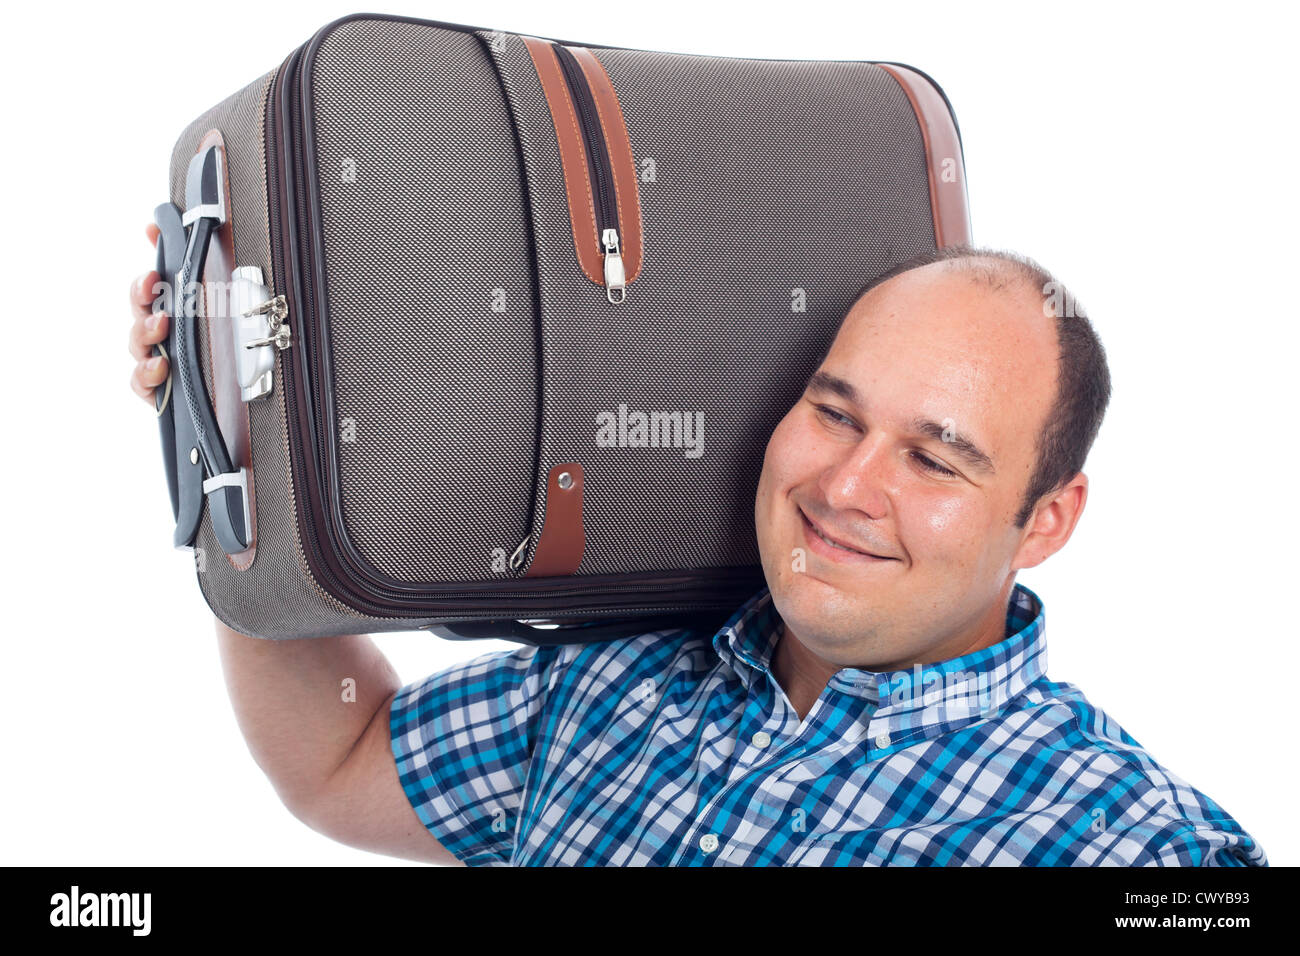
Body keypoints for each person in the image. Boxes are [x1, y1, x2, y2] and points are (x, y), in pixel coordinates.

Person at [128, 237, 1268, 866]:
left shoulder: (1137, 848)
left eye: (935, 458)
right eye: (834, 412)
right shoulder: (621, 672)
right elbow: (340, 757)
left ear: (1048, 518)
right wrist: (237, 438)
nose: (846, 487)